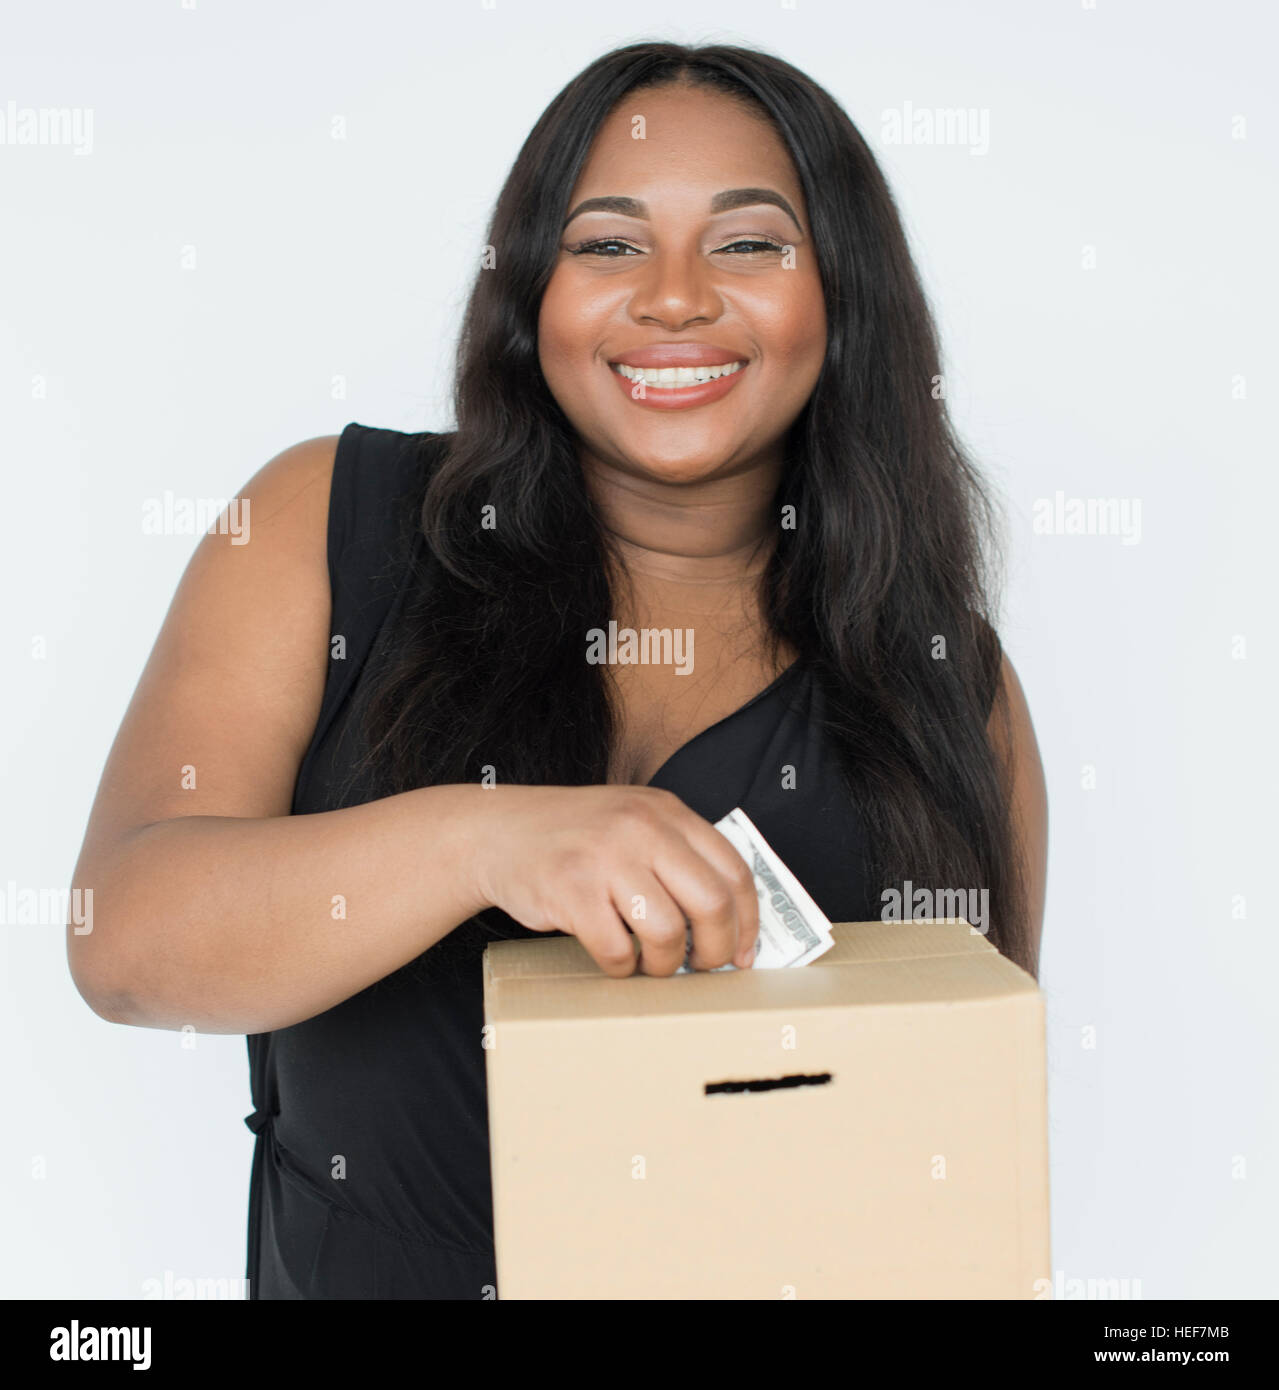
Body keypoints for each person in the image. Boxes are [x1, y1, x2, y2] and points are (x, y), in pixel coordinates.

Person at [67, 41, 1048, 1299]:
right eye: (608, 245)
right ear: (530, 292)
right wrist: (488, 844)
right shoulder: (328, 522)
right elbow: (125, 944)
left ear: (843, 294)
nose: (677, 298)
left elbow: (966, 1162)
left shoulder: (945, 690)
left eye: (748, 244)